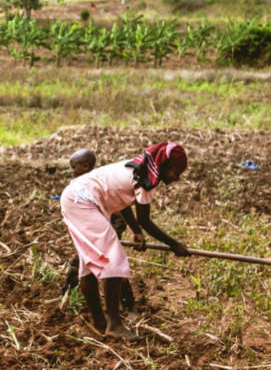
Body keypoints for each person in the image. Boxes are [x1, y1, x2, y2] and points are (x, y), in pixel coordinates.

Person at [59, 141, 190, 340]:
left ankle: (99, 321)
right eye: (175, 171)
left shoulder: (138, 169)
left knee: (88, 262)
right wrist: (174, 244)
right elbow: (144, 220)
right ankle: (114, 324)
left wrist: (136, 232)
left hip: (76, 197)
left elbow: (121, 201)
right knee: (113, 257)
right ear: (164, 165)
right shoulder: (144, 178)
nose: (177, 177)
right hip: (83, 200)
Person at [62, 149, 135, 312]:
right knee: (89, 261)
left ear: (86, 166)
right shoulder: (84, 182)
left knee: (109, 261)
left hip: (112, 223)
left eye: (74, 167)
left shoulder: (101, 180)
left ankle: (128, 305)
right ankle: (67, 297)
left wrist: (134, 230)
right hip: (97, 226)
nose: (72, 172)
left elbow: (124, 207)